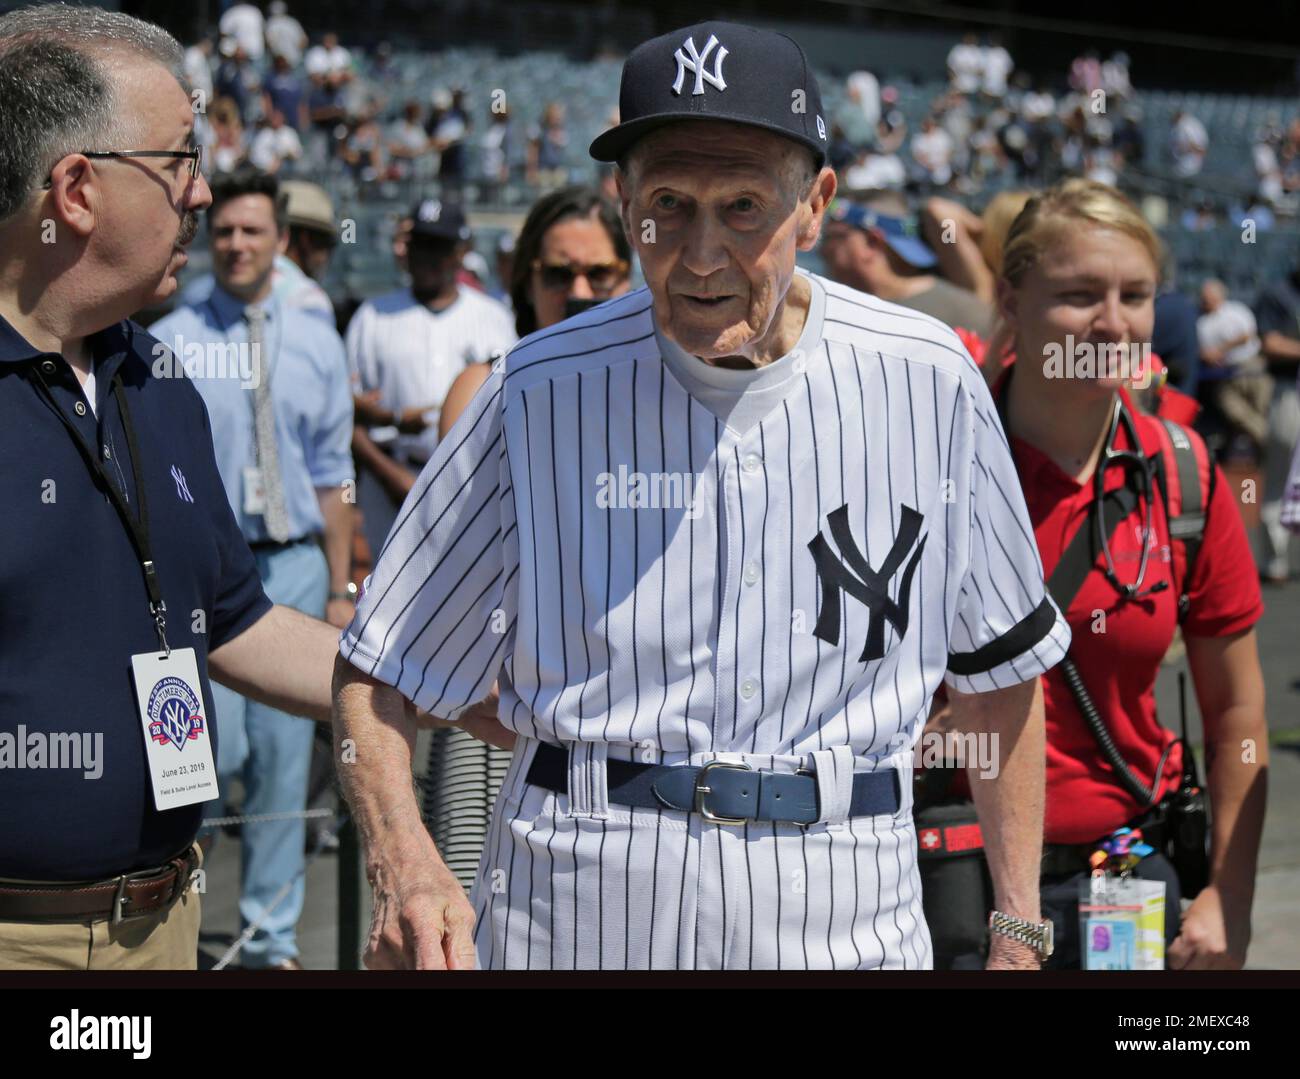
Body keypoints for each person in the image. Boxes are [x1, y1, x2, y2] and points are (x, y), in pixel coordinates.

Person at [334, 20, 1069, 971]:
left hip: (843, 905)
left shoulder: (929, 377)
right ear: (624, 198)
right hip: (582, 905)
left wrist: (1016, 920)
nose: (704, 252)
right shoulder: (531, 387)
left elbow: (1002, 674)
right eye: (669, 205)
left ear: (815, 206)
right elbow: (382, 665)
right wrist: (408, 862)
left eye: (745, 206)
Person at [0, 3, 346, 971]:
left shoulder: (159, 378)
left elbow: (237, 621)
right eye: (177, 161)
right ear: (75, 188)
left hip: (166, 923)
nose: (198, 192)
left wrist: (438, 681)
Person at [975, 179, 1267, 969]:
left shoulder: (1183, 474)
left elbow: (1237, 709)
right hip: (961, 881)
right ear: (1011, 299)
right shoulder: (936, 460)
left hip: (1125, 876)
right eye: (1078, 294)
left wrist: (1229, 897)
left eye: (1134, 294)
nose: (1113, 322)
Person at [149, 168, 356, 970]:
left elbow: (335, 474)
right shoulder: (170, 342)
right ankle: (171, 924)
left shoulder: (316, 338)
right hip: (206, 580)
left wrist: (339, 587)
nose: (236, 244)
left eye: (253, 231)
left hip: (296, 566)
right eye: (225, 231)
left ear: (279, 239)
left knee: (278, 771)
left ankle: (270, 944)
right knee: (204, 761)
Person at [423, 187, 634, 894]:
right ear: (526, 282)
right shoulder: (484, 386)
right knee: (467, 925)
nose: (578, 291)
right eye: (557, 274)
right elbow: (443, 566)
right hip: (495, 712)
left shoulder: (663, 399)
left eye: (599, 274)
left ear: (628, 276)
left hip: (626, 722)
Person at [346, 198, 516, 563]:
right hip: (391, 475)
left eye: (439, 246)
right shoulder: (372, 316)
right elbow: (345, 417)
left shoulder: (493, 317)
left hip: (472, 482)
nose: (428, 257)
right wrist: (392, 476)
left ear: (460, 252)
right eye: (421, 244)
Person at [821, 192, 994, 337]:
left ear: (871, 242)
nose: (822, 250)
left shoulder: (962, 313)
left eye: (831, 238)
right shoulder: (963, 304)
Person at [1252, 265, 1300, 583]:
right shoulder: (1278, 293)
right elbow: (1269, 344)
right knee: (1281, 478)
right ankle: (1275, 561)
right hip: (1289, 394)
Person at [1196, 279, 1272, 461]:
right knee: (1234, 410)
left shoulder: (1234, 311)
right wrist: (1209, 356)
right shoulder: (1202, 322)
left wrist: (1221, 349)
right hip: (1226, 374)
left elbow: (1247, 335)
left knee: (1262, 408)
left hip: (1252, 365)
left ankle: (1267, 456)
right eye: (1204, 298)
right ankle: (1267, 440)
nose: (1205, 301)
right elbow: (1204, 352)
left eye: (1209, 297)